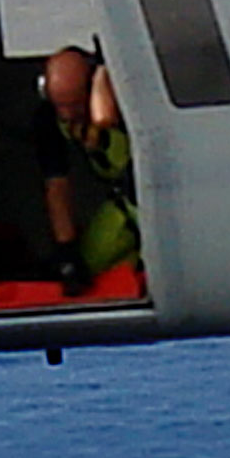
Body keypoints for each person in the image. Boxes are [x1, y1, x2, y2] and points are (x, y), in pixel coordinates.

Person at [39, 44, 137, 290]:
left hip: (154, 196)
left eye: (74, 104)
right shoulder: (49, 121)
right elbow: (56, 185)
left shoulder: (122, 104)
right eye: (59, 105)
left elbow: (104, 119)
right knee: (90, 266)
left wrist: (103, 74)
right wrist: (66, 250)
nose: (67, 114)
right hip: (123, 201)